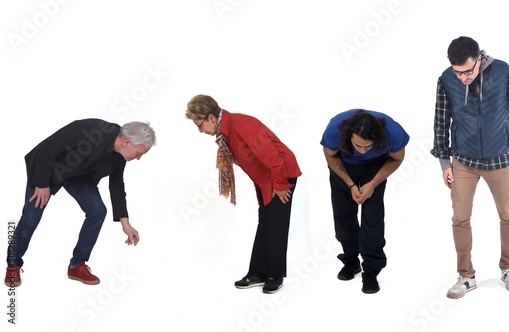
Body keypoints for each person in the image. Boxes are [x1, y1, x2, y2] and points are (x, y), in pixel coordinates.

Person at [430, 36, 509, 299]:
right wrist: (444, 162)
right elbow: (441, 121)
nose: (463, 77)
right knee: (460, 218)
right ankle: (466, 276)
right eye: (458, 72)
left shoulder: (503, 71)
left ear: (479, 59)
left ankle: (508, 268)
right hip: (463, 160)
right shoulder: (446, 79)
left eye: (467, 71)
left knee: (508, 215)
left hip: (500, 157)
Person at [6, 119, 155, 287]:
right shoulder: (92, 130)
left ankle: (76, 265)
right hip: (48, 169)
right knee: (31, 217)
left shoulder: (120, 156)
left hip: (79, 176)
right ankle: (13, 265)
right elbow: (48, 149)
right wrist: (41, 184)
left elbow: (117, 185)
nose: (138, 158)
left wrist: (125, 223)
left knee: (98, 211)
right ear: (126, 142)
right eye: (139, 153)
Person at [185, 94, 301, 294]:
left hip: (281, 174)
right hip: (265, 178)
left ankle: (274, 275)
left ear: (211, 118)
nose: (200, 131)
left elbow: (273, 157)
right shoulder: (225, 133)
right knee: (265, 223)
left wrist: (281, 184)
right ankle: (258, 272)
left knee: (276, 224)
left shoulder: (241, 125)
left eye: (199, 125)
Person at [321, 109, 408, 294]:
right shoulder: (335, 130)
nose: (361, 151)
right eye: (358, 145)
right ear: (349, 136)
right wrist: (351, 185)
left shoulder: (393, 133)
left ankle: (370, 271)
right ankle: (351, 261)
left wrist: (373, 184)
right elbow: (330, 155)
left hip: (376, 166)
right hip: (344, 165)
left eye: (367, 146)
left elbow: (397, 158)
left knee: (373, 218)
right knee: (343, 215)